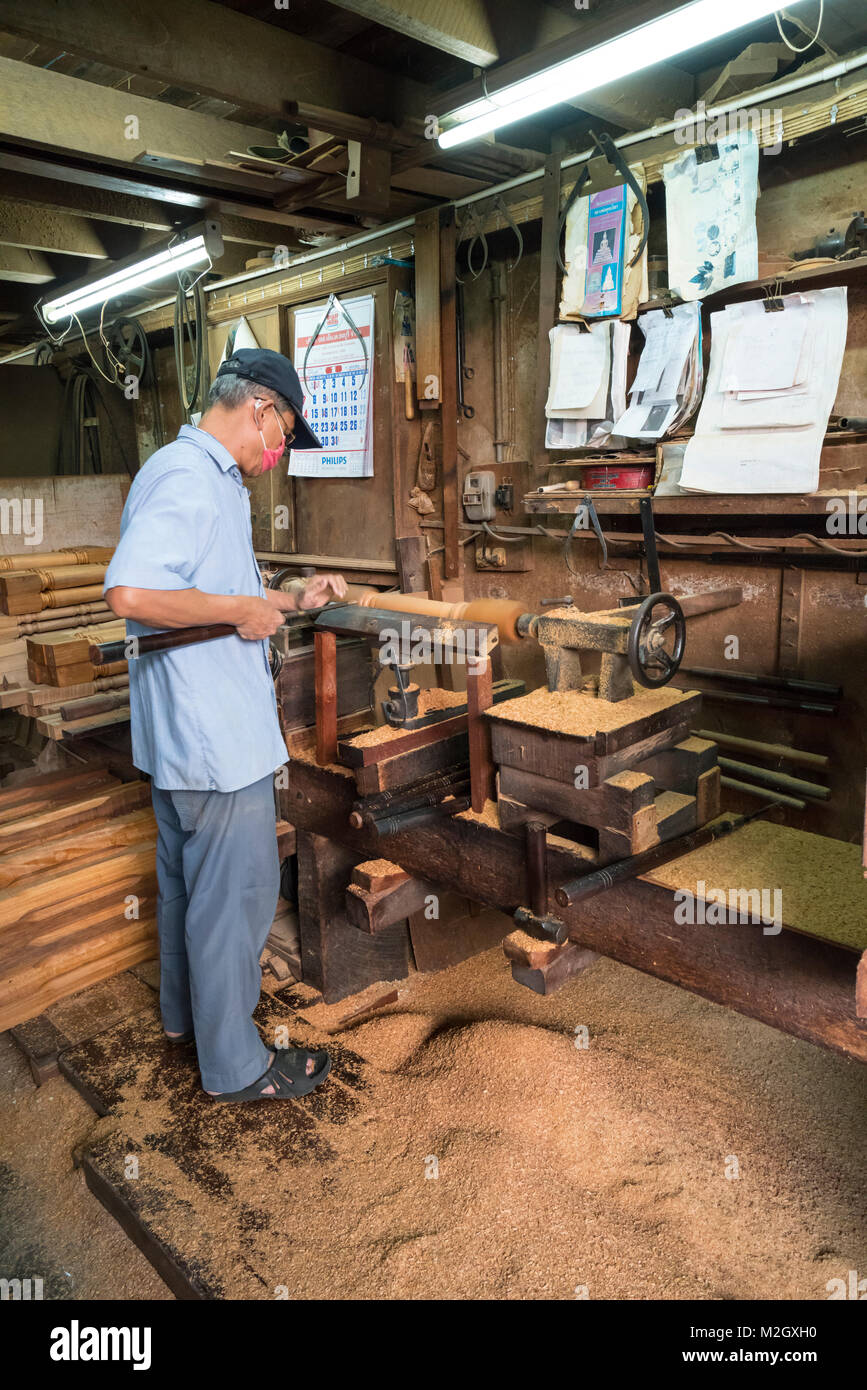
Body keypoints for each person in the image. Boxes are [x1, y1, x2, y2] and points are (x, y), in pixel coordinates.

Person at [105, 348, 346, 1102]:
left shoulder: (199, 476)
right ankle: (237, 1068)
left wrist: (285, 596)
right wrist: (240, 611)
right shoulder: (188, 477)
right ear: (260, 408)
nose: (278, 453)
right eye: (283, 434)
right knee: (233, 904)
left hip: (184, 742)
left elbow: (215, 587)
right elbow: (132, 593)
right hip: (215, 743)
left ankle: (187, 1023)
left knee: (185, 894)